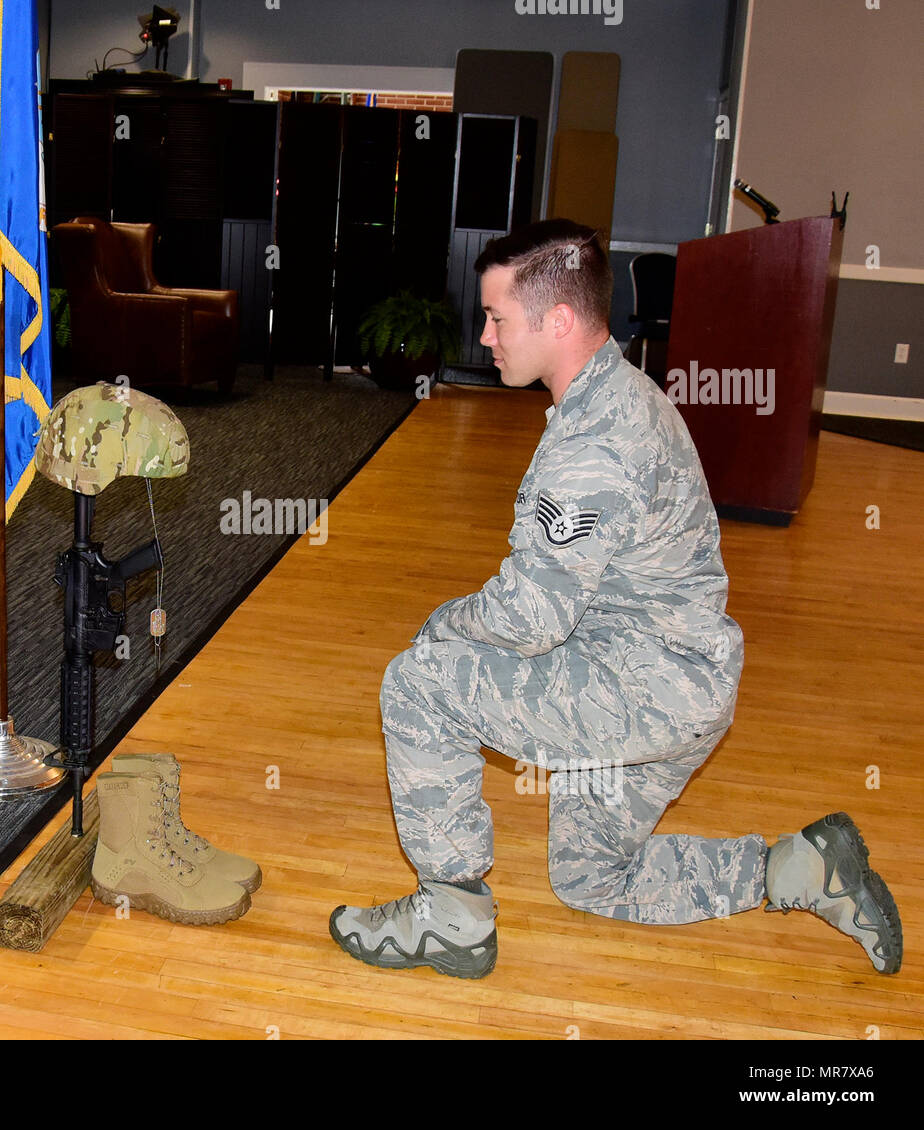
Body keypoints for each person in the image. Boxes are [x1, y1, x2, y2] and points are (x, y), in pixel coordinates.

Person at [329, 220, 902, 979]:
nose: (487, 335)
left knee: (420, 684)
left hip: (644, 687)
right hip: (679, 682)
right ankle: (802, 871)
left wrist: (443, 624)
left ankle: (452, 920)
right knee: (590, 876)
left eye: (497, 317)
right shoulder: (618, 397)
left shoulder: (596, 442)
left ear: (557, 320)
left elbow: (531, 618)